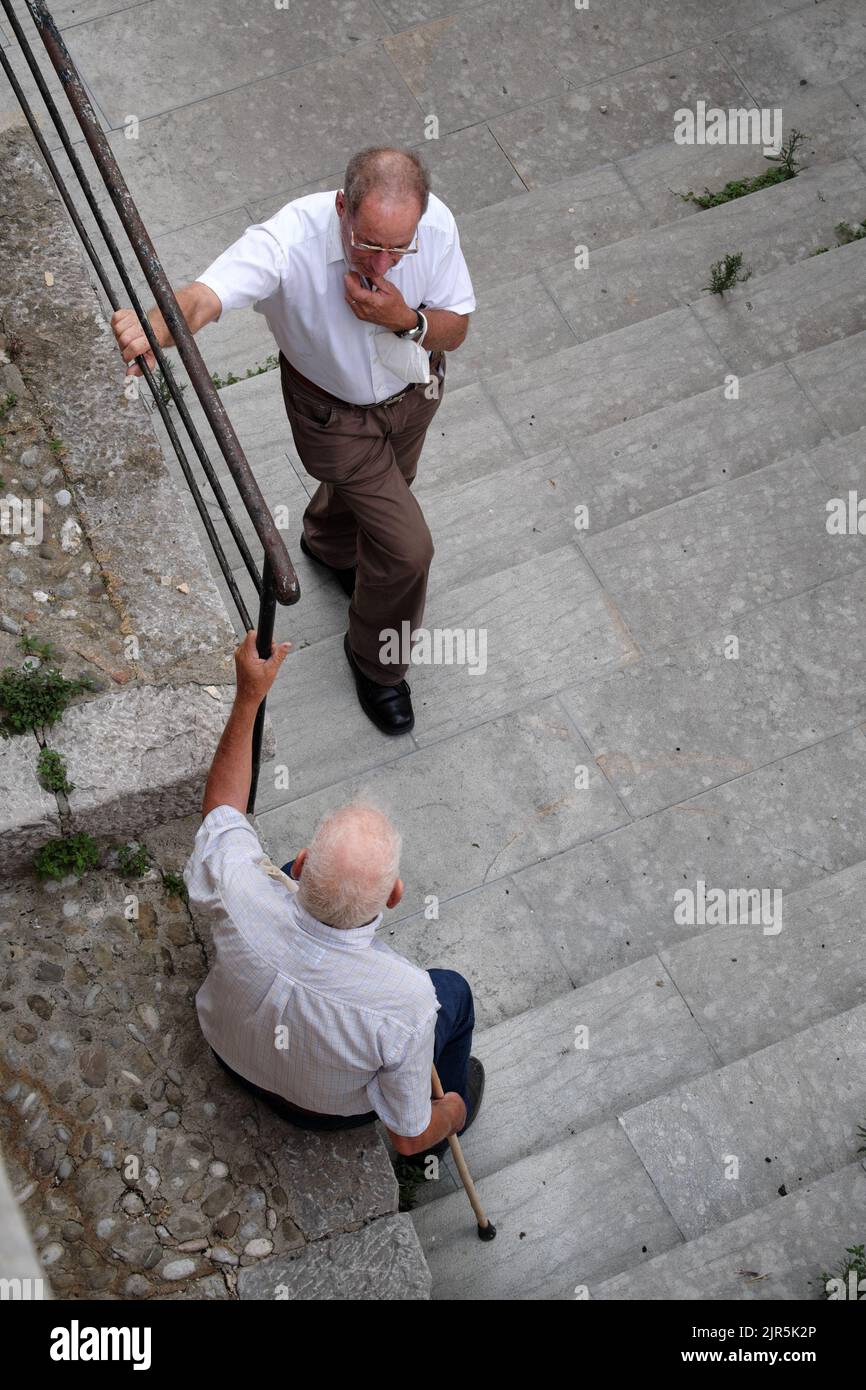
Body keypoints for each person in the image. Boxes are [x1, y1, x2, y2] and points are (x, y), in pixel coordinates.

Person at [112, 147, 476, 735]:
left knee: (384, 495)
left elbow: (456, 327)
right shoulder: (288, 240)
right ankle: (378, 664)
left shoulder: (434, 225)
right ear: (341, 208)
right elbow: (208, 294)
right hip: (333, 415)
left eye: (398, 249)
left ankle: (329, 544)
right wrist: (161, 324)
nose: (383, 264)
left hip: (415, 392)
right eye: (367, 244)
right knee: (408, 550)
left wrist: (405, 319)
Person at [184, 630, 485, 1160]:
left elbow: (221, 812)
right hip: (320, 1114)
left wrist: (249, 695)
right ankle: (451, 1136)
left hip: (226, 1051)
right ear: (394, 895)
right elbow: (404, 1135)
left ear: (301, 865)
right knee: (453, 994)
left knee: (255, 863)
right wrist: (451, 1108)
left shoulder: (238, 889)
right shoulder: (410, 1002)